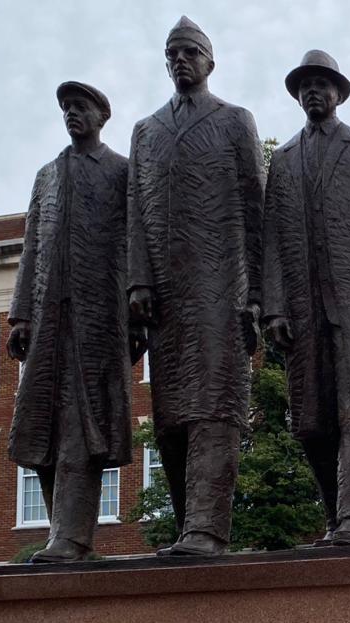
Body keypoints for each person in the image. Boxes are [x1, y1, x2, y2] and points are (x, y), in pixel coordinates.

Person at [126, 16, 264, 556]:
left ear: (210, 61)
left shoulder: (234, 121)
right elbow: (135, 212)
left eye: (190, 52)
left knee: (214, 404)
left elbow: (256, 210)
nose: (180, 60)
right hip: (165, 296)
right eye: (172, 54)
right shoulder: (146, 131)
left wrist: (258, 294)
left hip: (221, 287)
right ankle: (187, 526)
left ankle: (208, 529)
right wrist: (138, 282)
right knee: (170, 416)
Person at [262, 50, 350, 546]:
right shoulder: (283, 160)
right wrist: (274, 306)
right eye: (305, 85)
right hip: (303, 310)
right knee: (311, 421)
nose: (313, 91)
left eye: (321, 84)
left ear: (338, 93)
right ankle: (335, 515)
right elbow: (273, 239)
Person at [7, 81, 143, 562]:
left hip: (99, 319)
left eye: (80, 106)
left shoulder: (122, 171)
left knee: (82, 428)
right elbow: (31, 248)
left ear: (102, 116)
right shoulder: (47, 175)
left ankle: (72, 536)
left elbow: (135, 242)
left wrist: (136, 312)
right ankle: (62, 532)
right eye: (66, 108)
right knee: (38, 428)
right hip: (49, 320)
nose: (71, 114)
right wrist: (21, 314)